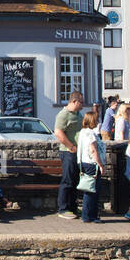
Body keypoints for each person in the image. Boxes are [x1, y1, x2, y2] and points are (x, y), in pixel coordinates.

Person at [54, 91, 84, 220]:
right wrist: (71, 146)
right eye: (81, 102)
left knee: (75, 181)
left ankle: (72, 207)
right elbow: (58, 132)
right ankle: (63, 208)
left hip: (78, 152)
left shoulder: (78, 114)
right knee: (68, 180)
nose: (82, 105)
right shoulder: (63, 115)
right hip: (68, 152)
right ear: (74, 101)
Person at [76, 111, 105, 223]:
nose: (97, 122)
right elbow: (93, 150)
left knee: (89, 190)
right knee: (92, 190)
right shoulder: (90, 134)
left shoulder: (82, 132)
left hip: (83, 162)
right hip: (91, 164)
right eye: (96, 120)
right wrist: (100, 164)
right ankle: (89, 216)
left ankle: (88, 215)